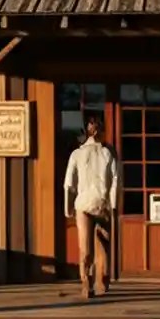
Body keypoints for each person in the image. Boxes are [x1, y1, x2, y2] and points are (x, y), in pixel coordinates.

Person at [63, 115, 117, 299]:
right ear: (100, 131)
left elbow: (68, 184)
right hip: (102, 204)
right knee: (103, 246)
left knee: (85, 247)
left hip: (84, 204)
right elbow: (115, 181)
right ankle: (102, 282)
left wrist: (67, 206)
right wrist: (113, 204)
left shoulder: (76, 154)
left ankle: (85, 282)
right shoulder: (107, 153)